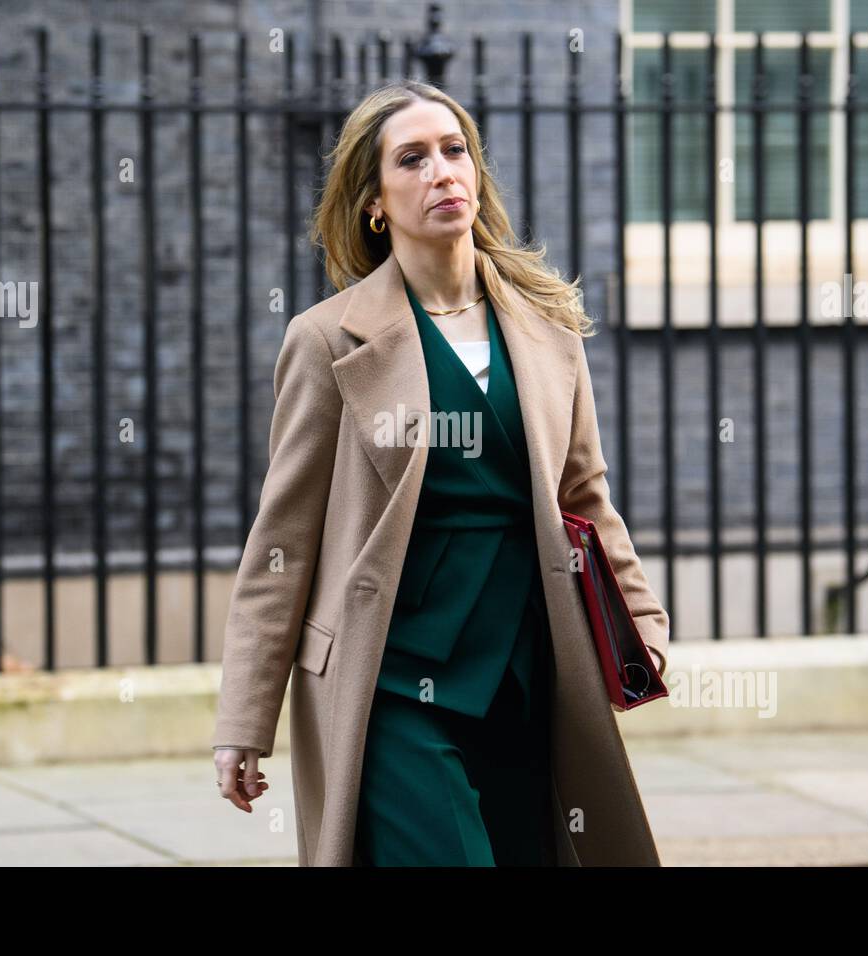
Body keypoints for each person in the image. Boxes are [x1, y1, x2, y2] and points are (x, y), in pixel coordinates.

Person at [213, 80, 669, 866]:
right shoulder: (327, 342)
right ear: (375, 202)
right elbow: (282, 541)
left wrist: (641, 623)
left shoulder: (546, 327)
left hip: (527, 669)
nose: (442, 172)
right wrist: (244, 720)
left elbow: (584, 494)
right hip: (392, 681)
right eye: (413, 159)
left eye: (455, 151)